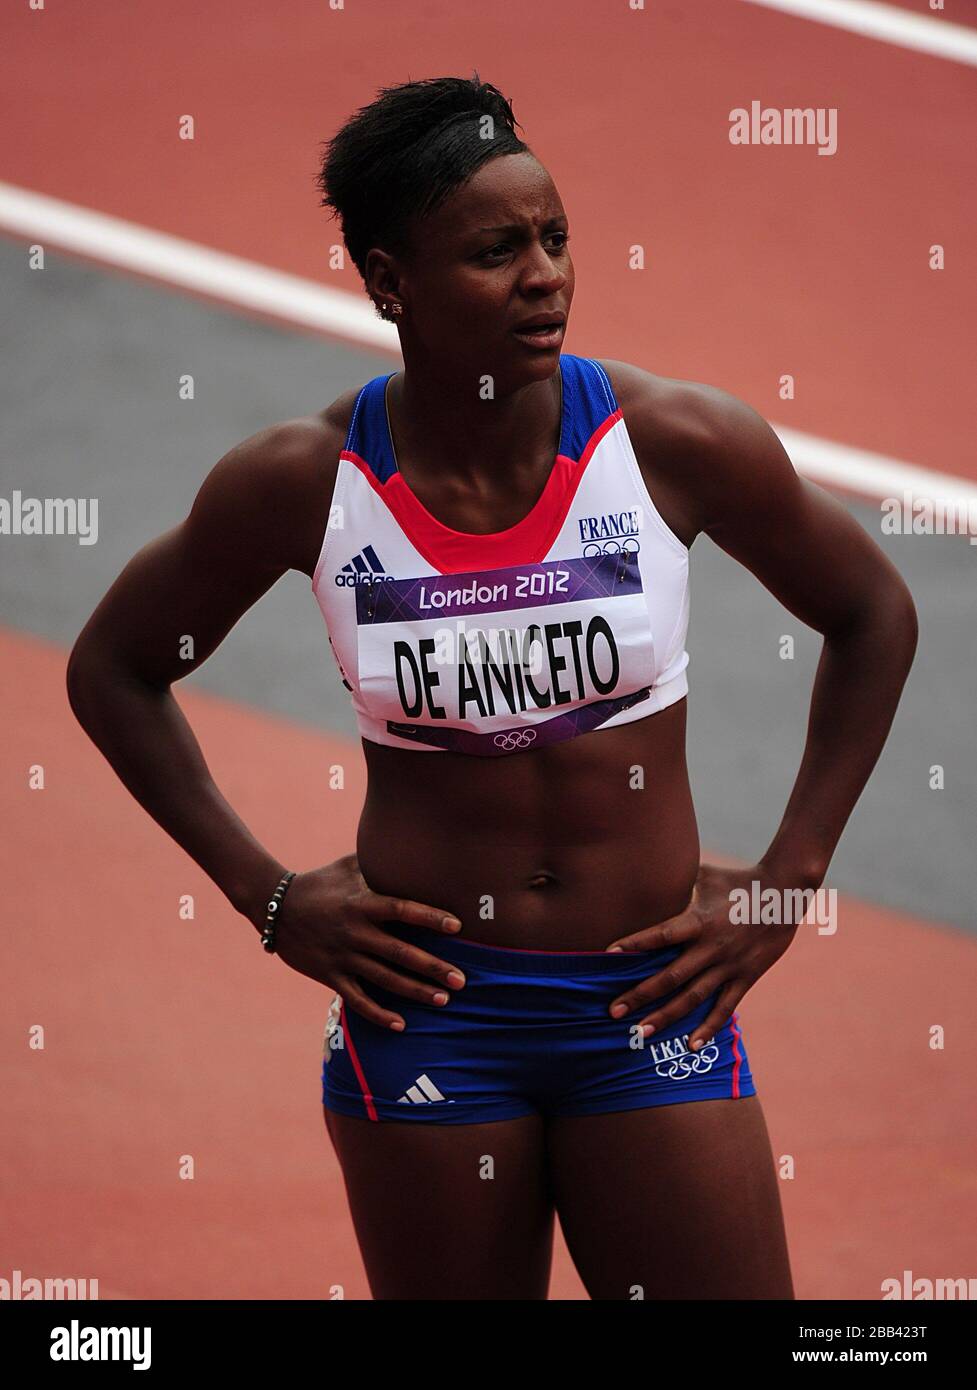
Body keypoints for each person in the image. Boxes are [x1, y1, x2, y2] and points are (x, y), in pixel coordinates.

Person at [66, 74, 918, 1301]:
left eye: (554, 238)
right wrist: (266, 900)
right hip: (435, 1022)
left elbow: (870, 610)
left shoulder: (672, 443)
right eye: (494, 250)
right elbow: (115, 668)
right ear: (387, 281)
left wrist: (790, 876)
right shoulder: (305, 482)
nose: (544, 276)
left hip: (643, 1007)